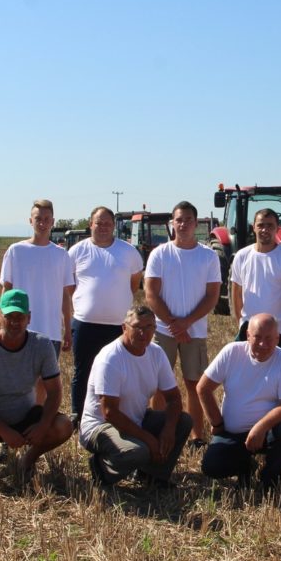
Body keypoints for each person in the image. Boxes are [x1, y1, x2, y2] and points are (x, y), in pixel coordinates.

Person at [0, 289, 74, 482]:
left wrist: (42, 425)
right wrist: (5, 431)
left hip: (25, 415)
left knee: (64, 426)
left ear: (29, 318)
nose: (15, 322)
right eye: (9, 316)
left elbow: (55, 392)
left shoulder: (42, 345)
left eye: (20, 316)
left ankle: (26, 462)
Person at [79, 306, 193, 488]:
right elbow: (109, 413)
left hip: (136, 420)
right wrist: (148, 439)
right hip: (100, 426)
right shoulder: (110, 358)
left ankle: (153, 476)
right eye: (137, 327)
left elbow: (173, 399)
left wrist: (169, 430)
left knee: (183, 421)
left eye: (149, 327)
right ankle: (101, 470)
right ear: (125, 328)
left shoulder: (156, 353)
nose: (143, 333)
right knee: (138, 451)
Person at [144, 201, 221, 447]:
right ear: (172, 223)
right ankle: (157, 430)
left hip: (194, 331)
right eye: (179, 220)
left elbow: (212, 296)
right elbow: (151, 294)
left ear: (196, 224)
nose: (183, 224)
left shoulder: (208, 256)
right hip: (163, 331)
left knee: (194, 384)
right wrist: (172, 324)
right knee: (159, 385)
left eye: (188, 220)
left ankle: (197, 436)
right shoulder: (159, 254)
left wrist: (186, 323)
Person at [199, 314, 281, 491]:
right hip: (232, 431)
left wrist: (260, 427)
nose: (263, 344)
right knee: (211, 467)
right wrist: (217, 423)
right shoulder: (231, 352)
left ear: (277, 338)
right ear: (247, 335)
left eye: (269, 339)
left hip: (268, 430)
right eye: (257, 337)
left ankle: (270, 478)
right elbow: (203, 388)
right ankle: (245, 466)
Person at [68, 206, 144, 422]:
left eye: (107, 223)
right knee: (82, 371)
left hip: (118, 325)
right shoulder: (76, 251)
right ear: (90, 224)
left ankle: (118, 414)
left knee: (119, 371)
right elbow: (70, 286)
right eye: (98, 223)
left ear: (114, 226)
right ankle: (79, 415)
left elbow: (134, 283)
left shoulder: (128, 252)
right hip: (84, 323)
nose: (103, 227)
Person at [0, 199, 76, 403]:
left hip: (50, 331)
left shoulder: (61, 255)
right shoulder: (15, 251)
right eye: (38, 219)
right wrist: (2, 324)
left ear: (53, 222)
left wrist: (67, 329)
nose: (42, 223)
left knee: (45, 382)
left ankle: (37, 420)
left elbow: (64, 296)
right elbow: (6, 291)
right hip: (19, 328)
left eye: (46, 219)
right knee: (19, 379)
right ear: (30, 221)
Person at [230, 209, 281, 354]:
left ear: (277, 228)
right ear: (253, 227)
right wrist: (241, 322)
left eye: (270, 226)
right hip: (250, 327)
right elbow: (236, 292)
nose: (265, 229)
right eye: (260, 225)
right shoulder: (242, 256)